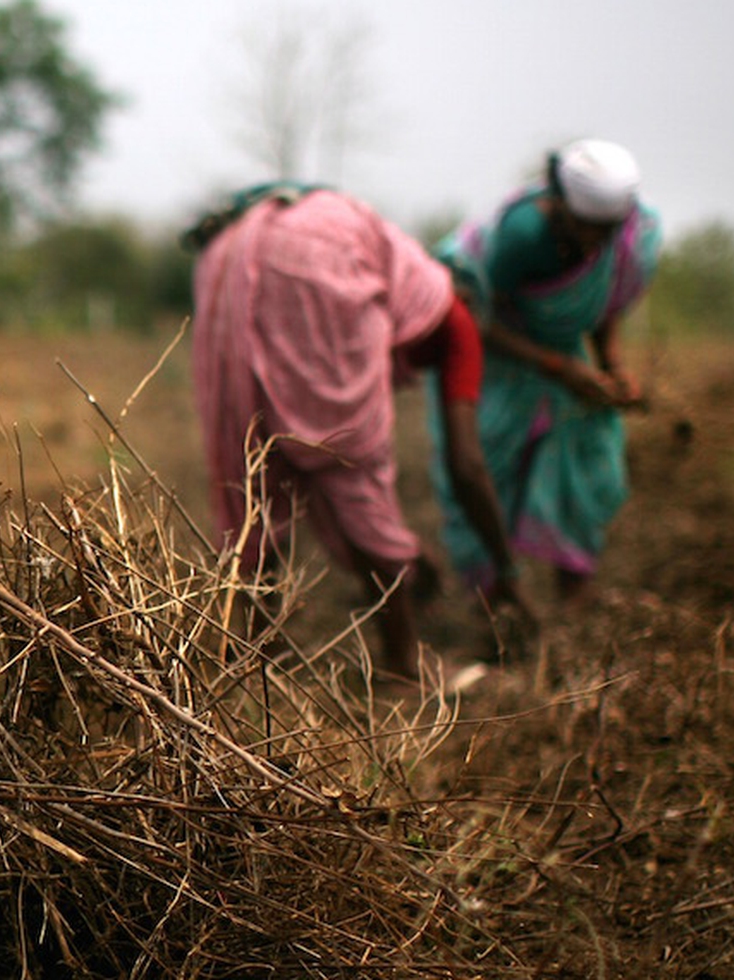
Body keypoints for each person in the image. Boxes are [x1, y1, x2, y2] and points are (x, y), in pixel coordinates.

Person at [185, 183, 526, 681]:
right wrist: (506, 569)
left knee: (255, 458)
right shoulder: (456, 315)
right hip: (319, 258)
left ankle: (257, 661)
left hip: (226, 253)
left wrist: (412, 556)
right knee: (354, 461)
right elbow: (466, 464)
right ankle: (401, 667)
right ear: (465, 294)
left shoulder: (394, 268)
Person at [430, 139, 660, 608]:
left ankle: (573, 599)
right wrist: (558, 367)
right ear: (560, 204)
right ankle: (496, 602)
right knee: (487, 464)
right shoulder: (522, 237)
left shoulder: (628, 236)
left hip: (559, 351)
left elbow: (601, 299)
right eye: (587, 228)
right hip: (495, 349)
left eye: (607, 231)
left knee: (587, 455)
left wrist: (610, 367)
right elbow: (478, 319)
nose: (597, 242)